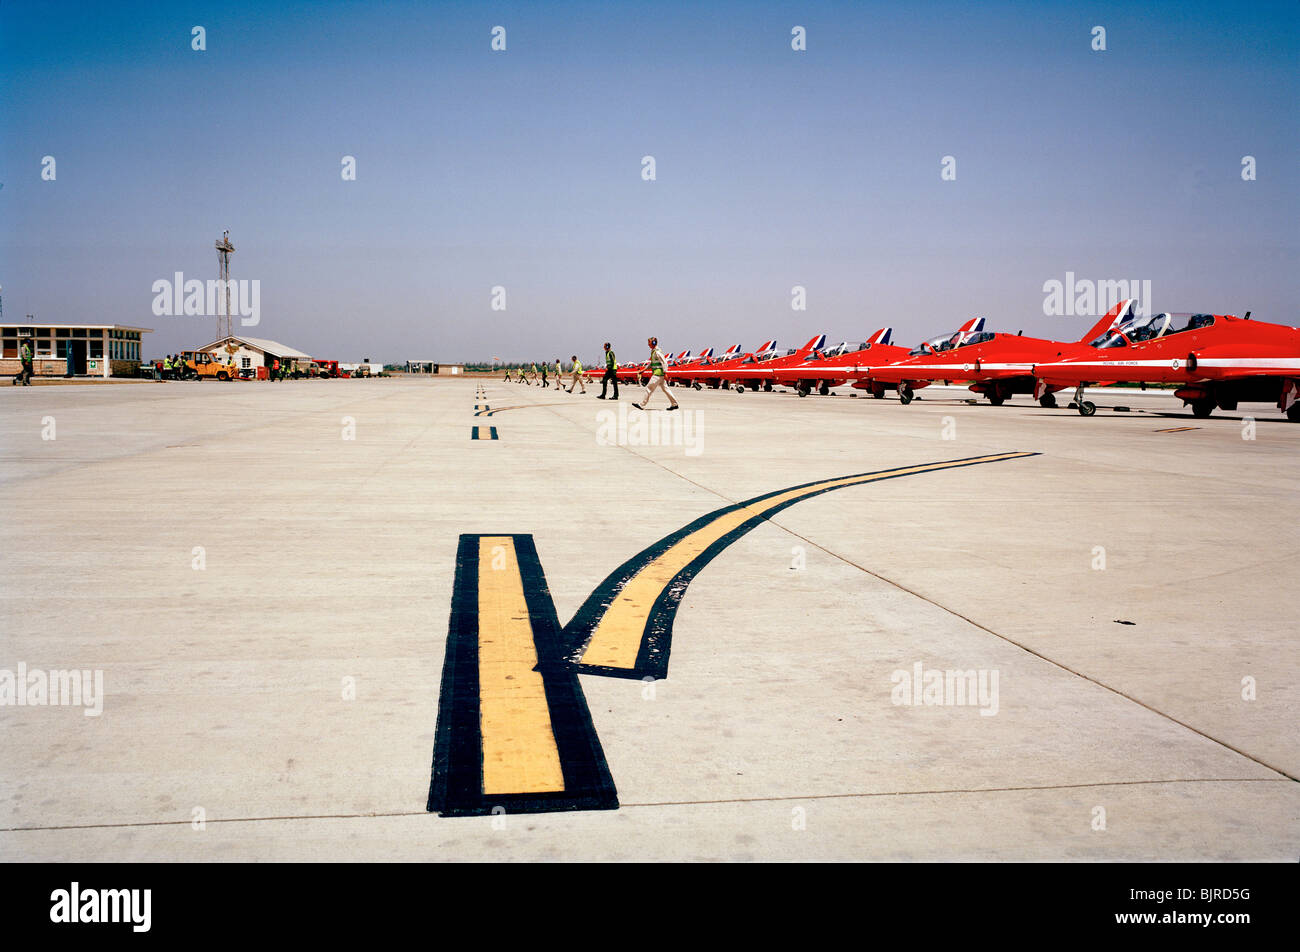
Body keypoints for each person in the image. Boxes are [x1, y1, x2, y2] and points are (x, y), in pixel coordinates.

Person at [633, 336, 678, 410]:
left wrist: (665, 372)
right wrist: (643, 370)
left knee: (649, 388)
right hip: (660, 374)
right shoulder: (654, 351)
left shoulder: (657, 352)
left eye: (649, 343)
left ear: (653, 343)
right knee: (665, 389)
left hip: (658, 374)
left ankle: (641, 405)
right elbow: (652, 363)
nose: (648, 344)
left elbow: (664, 362)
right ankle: (674, 404)